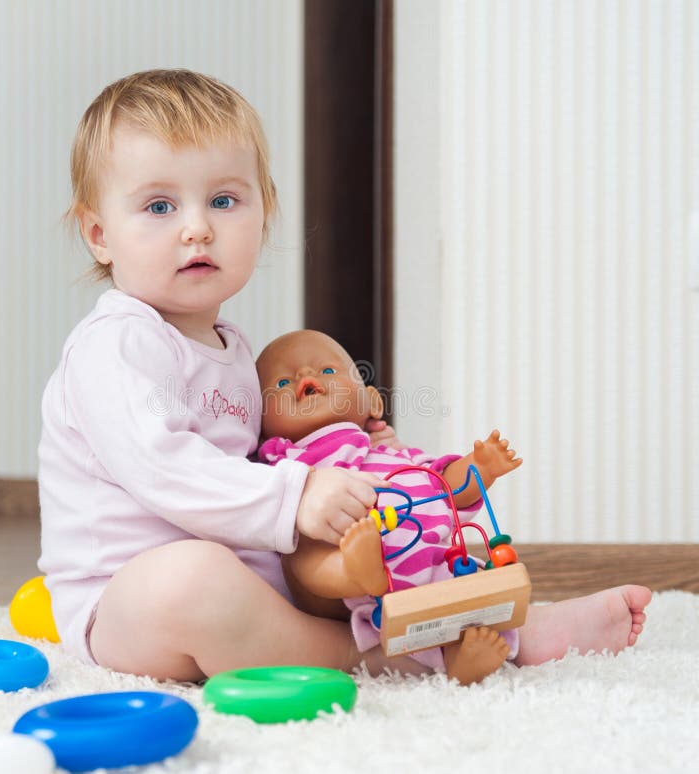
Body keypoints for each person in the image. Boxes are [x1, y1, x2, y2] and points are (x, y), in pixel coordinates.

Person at [38, 69, 650, 686]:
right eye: (160, 206)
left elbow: (257, 460)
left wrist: (354, 451)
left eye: (224, 201)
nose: (196, 227)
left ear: (264, 212)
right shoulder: (116, 344)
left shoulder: (232, 349)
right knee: (193, 580)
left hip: (252, 576)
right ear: (99, 236)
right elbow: (161, 465)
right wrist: (298, 494)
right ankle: (377, 656)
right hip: (127, 603)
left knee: (370, 537)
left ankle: (493, 625)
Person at [256, 329, 652, 683]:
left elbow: (446, 486)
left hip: (439, 563)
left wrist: (479, 468)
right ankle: (358, 572)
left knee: (475, 601)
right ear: (261, 424)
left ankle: (473, 651)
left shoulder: (399, 454)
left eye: (327, 372)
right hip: (353, 574)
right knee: (304, 549)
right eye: (283, 381)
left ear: (372, 401)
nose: (306, 379)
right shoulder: (289, 463)